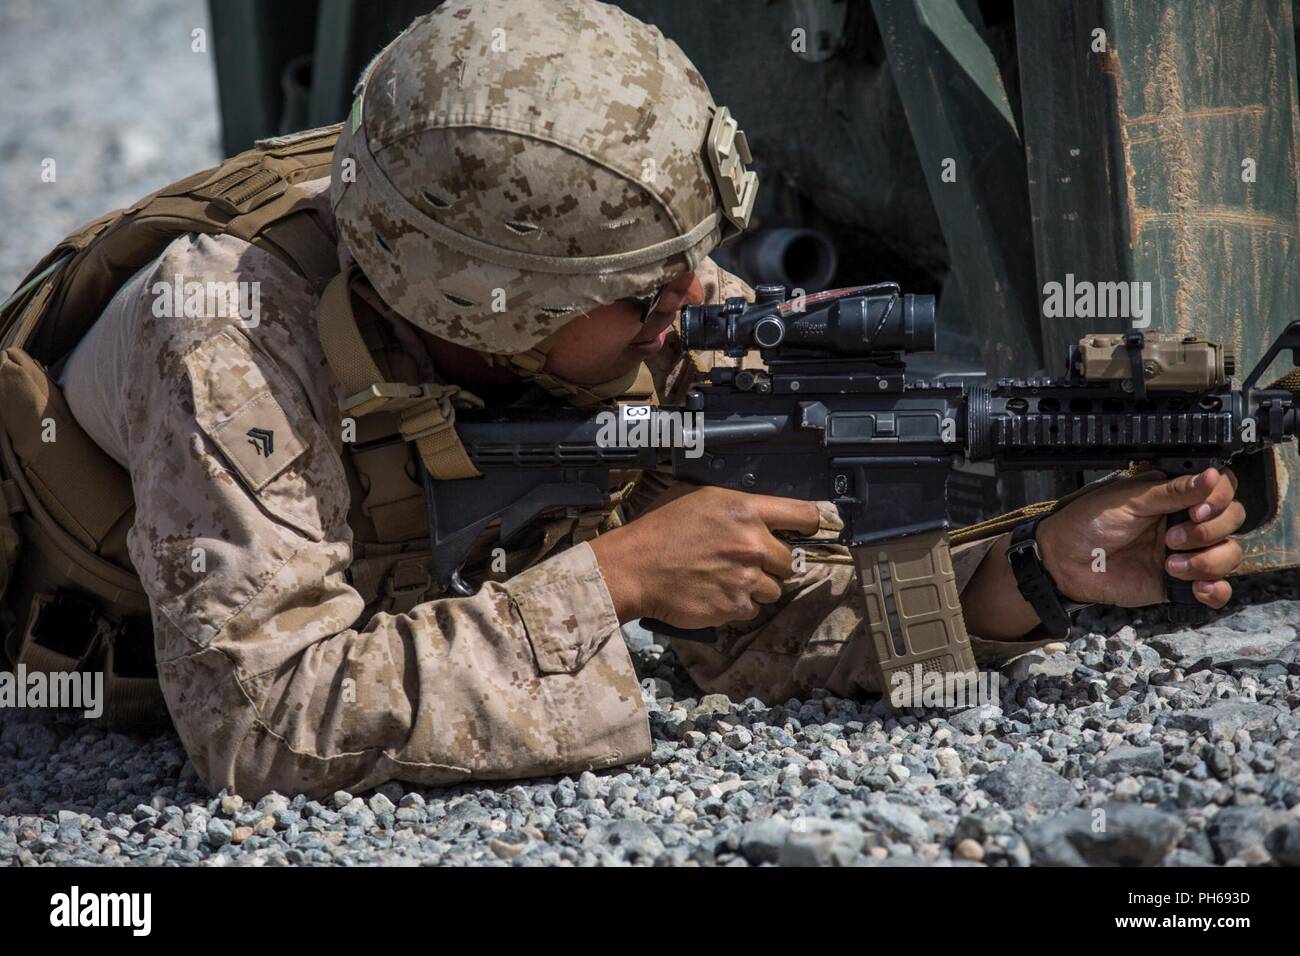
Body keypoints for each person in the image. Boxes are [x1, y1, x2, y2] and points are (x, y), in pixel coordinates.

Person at [53, 0, 1244, 798]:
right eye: (644, 291)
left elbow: (767, 608)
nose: (695, 301)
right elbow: (261, 722)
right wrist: (615, 579)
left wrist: (1030, 572)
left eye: (688, 261)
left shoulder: (645, 299)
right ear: (490, 309)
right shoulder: (223, 331)